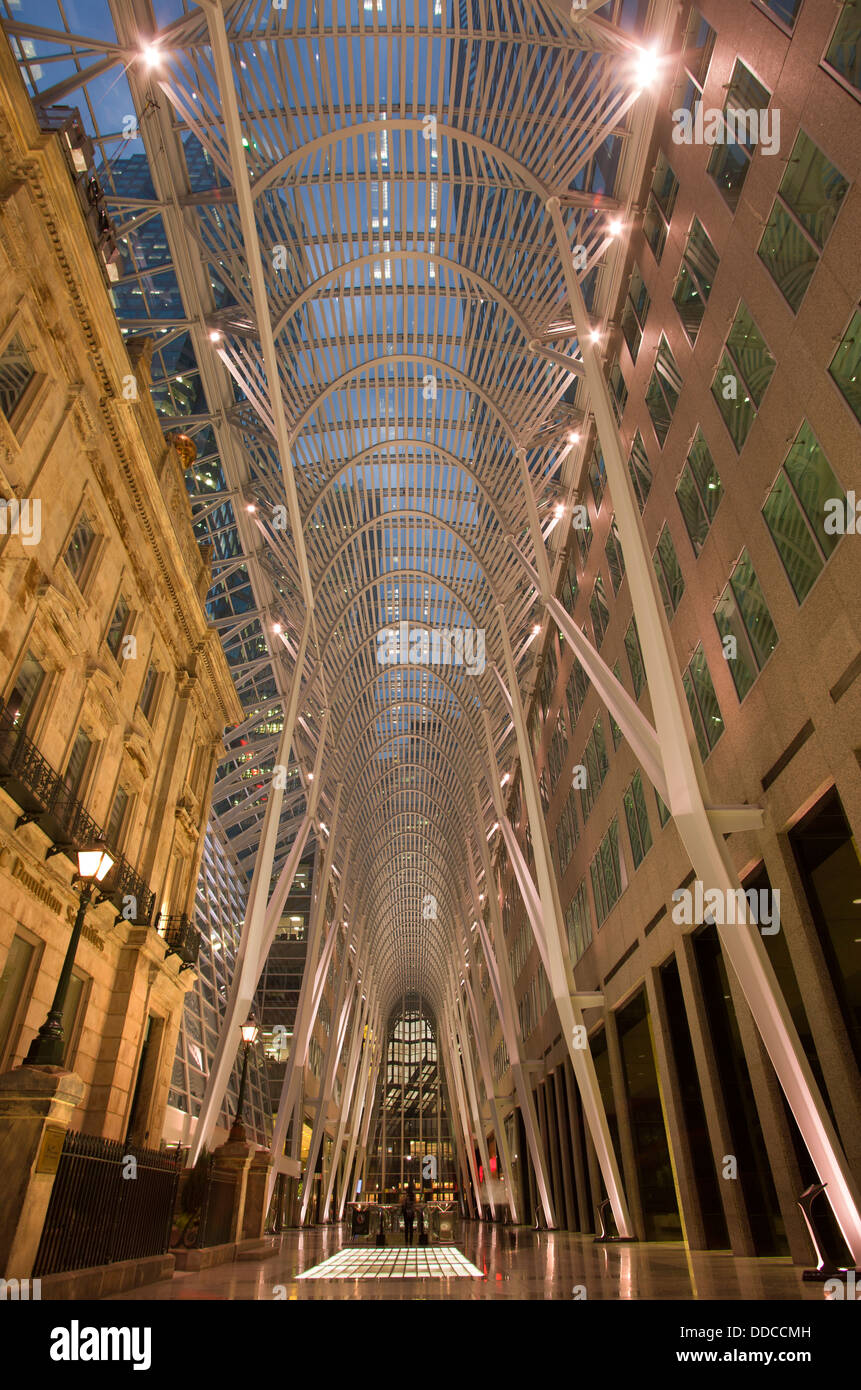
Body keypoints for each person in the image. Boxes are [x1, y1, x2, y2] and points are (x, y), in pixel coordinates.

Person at [402, 1182, 416, 1246]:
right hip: (411, 1213)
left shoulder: (405, 1197)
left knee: (406, 1228)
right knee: (411, 1227)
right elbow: (414, 1205)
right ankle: (411, 1241)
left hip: (406, 1213)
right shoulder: (413, 1197)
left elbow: (403, 1205)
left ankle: (406, 1241)